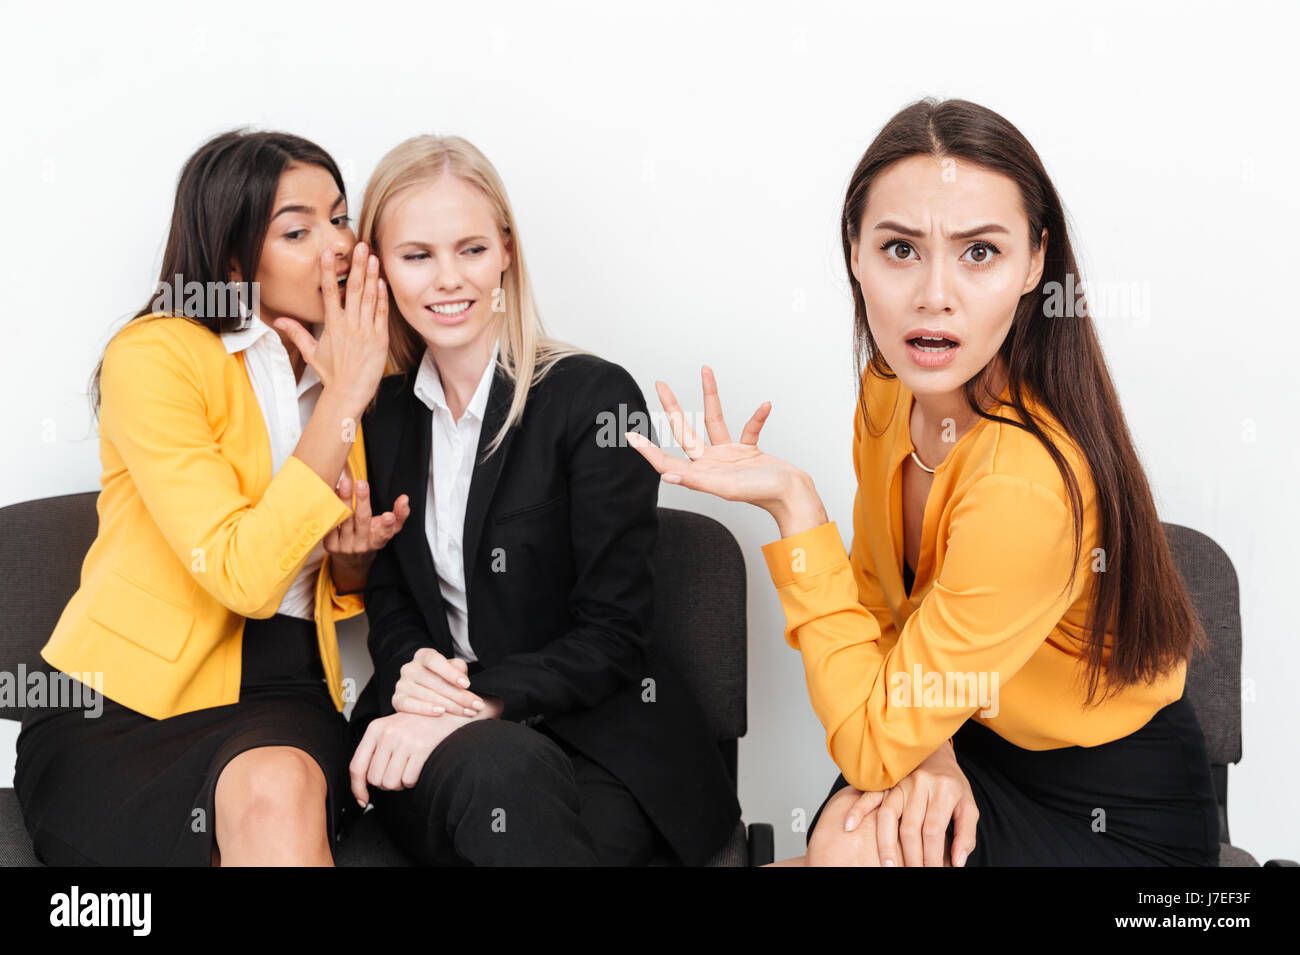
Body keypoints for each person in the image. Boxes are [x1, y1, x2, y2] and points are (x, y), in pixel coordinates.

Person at [626, 97, 1220, 867]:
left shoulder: (1025, 485)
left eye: (980, 254)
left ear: (1035, 263)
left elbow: (873, 743)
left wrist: (796, 509)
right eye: (901, 249)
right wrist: (932, 746)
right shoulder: (890, 391)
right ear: (854, 251)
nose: (934, 294)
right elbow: (880, 607)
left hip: (1113, 811)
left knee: (846, 847)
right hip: (968, 733)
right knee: (845, 841)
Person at [15, 129, 408, 866]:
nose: (338, 246)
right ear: (232, 259)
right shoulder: (154, 357)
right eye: (298, 230)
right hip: (120, 709)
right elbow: (241, 576)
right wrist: (343, 399)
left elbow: (321, 578)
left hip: (286, 687)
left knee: (277, 790)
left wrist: (352, 565)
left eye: (340, 217)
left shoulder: (350, 366)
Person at [346, 134, 740, 866]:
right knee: (498, 781)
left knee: (515, 800)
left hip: (597, 740)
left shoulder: (592, 398)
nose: (447, 280)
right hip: (446, 740)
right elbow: (394, 590)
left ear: (506, 253)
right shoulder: (384, 417)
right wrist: (414, 672)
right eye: (416, 255)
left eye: (469, 249)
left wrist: (471, 704)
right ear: (381, 268)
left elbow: (612, 633)